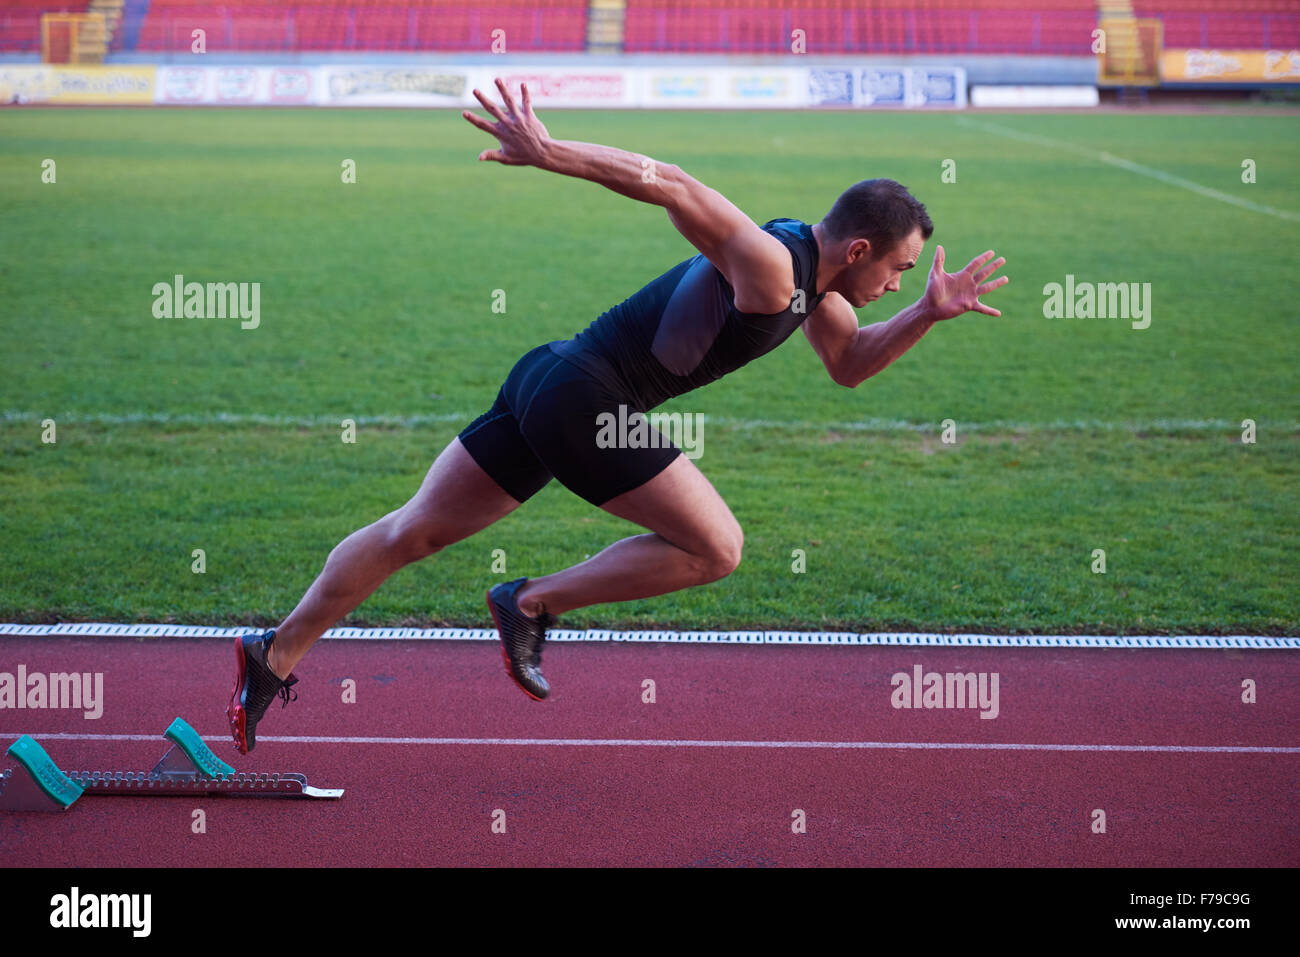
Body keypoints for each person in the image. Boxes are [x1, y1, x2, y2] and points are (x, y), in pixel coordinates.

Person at [226, 78, 1008, 753]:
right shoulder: (772, 268)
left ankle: (274, 653)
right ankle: (530, 601)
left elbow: (850, 366)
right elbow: (669, 180)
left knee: (412, 531)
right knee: (717, 547)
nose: (901, 283)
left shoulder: (818, 289)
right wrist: (549, 150)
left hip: (547, 379)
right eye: (902, 270)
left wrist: (930, 317)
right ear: (863, 246)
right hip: (588, 400)